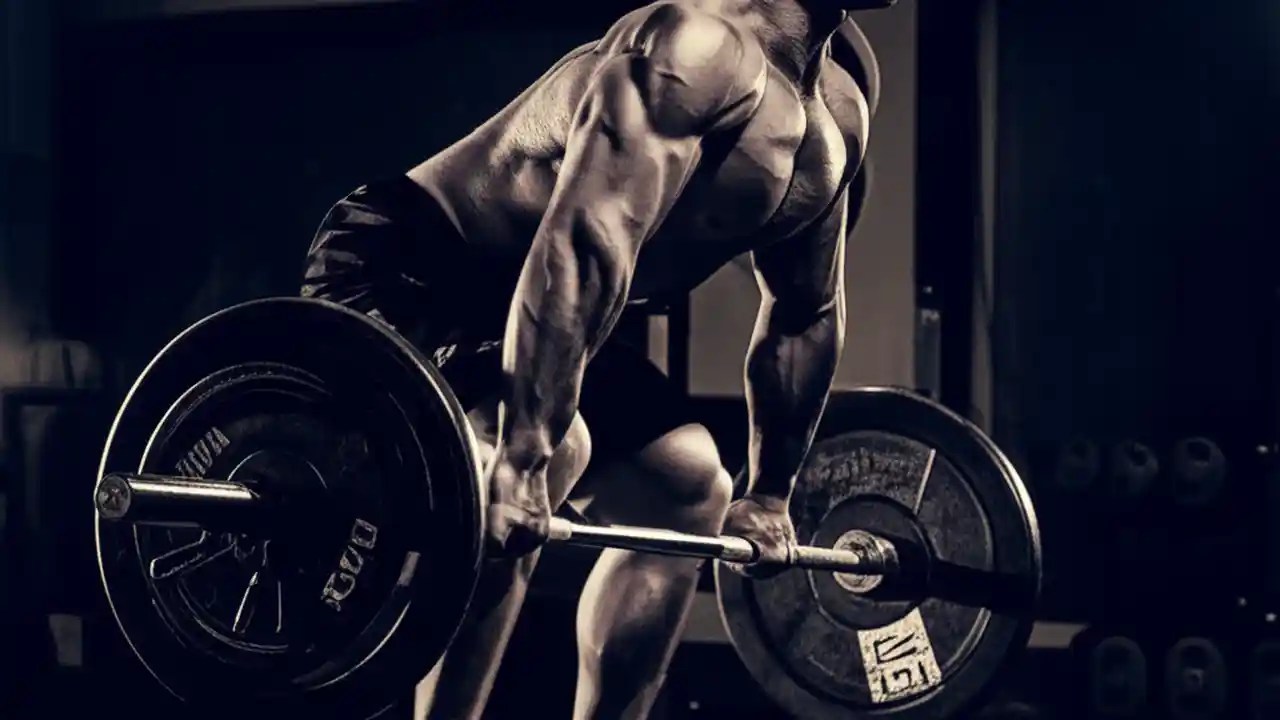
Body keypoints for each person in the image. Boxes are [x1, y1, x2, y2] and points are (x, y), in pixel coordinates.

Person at [300, 1, 882, 717]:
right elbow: (585, 242)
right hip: (413, 266)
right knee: (538, 452)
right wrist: (520, 455)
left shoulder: (838, 116)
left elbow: (805, 314)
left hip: (548, 307)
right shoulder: (695, 47)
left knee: (694, 489)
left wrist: (768, 490)